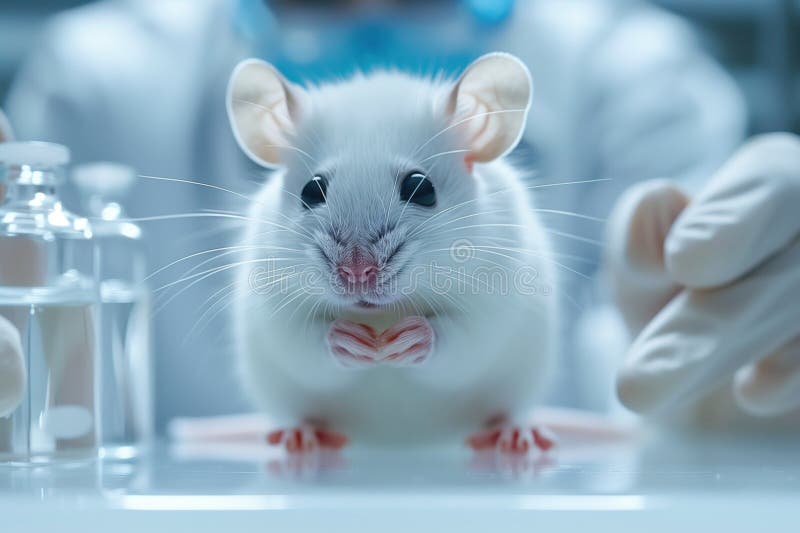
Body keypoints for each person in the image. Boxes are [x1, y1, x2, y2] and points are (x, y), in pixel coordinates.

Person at [6, 0, 786, 432]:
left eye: (419, 191)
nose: (360, 268)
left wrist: (720, 339)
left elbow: (622, 339)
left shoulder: (632, 65)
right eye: (310, 192)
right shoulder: (96, 79)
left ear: (488, 127)